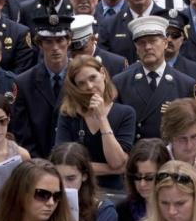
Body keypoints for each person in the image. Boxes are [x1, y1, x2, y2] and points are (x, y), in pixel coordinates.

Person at [55, 55, 136, 190]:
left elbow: (116, 162)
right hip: (78, 189)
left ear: (102, 73)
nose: (89, 86)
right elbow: (63, 163)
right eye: (81, 83)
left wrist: (102, 118)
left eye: (93, 78)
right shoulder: (69, 114)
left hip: (114, 191)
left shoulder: (125, 113)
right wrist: (111, 170)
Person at [112, 15, 196, 141]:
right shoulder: (121, 82)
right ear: (136, 48)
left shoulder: (185, 84)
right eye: (141, 43)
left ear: (165, 43)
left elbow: (192, 127)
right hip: (135, 155)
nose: (147, 47)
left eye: (153, 41)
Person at [11, 15, 74, 158]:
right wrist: (41, 166)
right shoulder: (24, 83)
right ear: (40, 44)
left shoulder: (81, 78)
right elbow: (22, 134)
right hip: (39, 165)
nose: (55, 48)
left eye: (60, 40)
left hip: (75, 162)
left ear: (69, 41)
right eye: (48, 42)